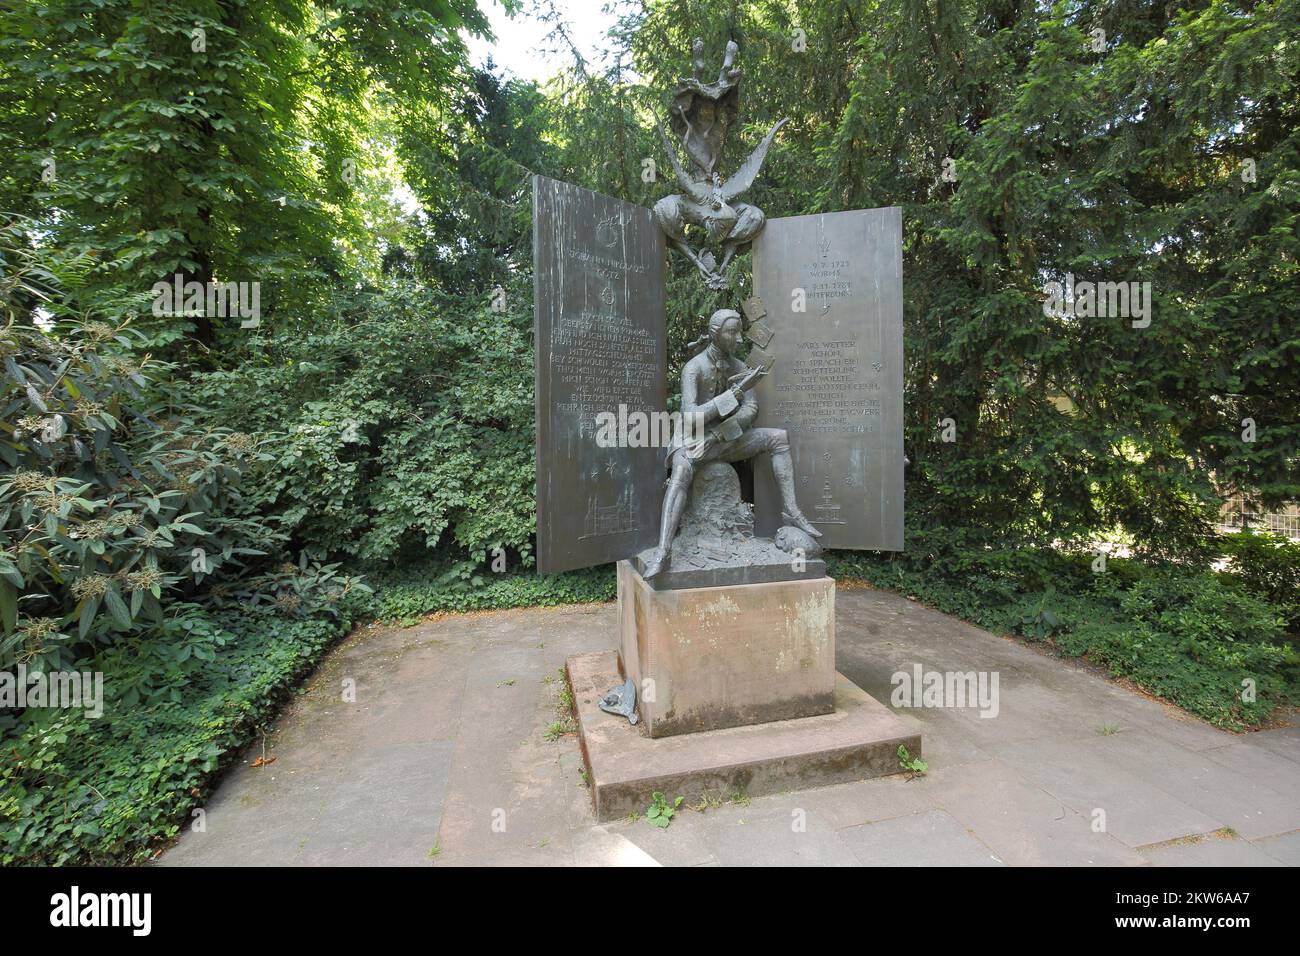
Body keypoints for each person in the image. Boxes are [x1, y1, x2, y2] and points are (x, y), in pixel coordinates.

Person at [643, 308, 821, 579]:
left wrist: (717, 435)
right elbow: (691, 416)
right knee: (680, 473)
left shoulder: (740, 367)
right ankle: (664, 551)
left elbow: (751, 411)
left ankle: (792, 511)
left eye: (740, 331)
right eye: (732, 332)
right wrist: (731, 396)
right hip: (690, 441)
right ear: (716, 334)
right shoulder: (694, 367)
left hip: (722, 441)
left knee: (778, 438)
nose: (739, 338)